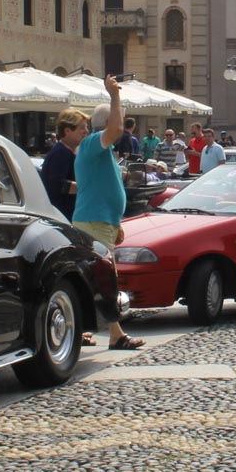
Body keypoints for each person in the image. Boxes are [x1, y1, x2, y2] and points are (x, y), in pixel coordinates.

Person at [71, 75, 141, 350]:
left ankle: (81, 330)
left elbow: (105, 187)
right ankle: (115, 334)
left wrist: (116, 221)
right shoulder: (92, 144)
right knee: (104, 279)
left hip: (101, 221)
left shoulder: (100, 150)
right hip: (93, 222)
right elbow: (116, 129)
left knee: (94, 280)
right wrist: (114, 97)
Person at [41, 110, 83, 220]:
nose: (86, 131)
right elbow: (56, 184)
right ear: (67, 131)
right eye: (82, 128)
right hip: (62, 217)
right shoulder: (60, 153)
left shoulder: (70, 152)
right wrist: (86, 187)